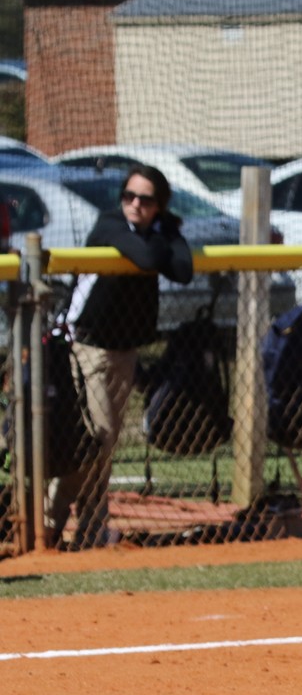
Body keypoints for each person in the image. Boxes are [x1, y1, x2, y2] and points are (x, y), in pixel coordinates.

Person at [46, 163, 192, 549]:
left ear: (158, 205)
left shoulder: (158, 228)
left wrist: (160, 236)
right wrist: (160, 238)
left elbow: (184, 269)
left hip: (124, 351)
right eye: (130, 196)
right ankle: (54, 522)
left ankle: (86, 529)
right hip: (85, 348)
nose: (135, 205)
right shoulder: (109, 224)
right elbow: (145, 258)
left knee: (101, 445)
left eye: (146, 200)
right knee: (96, 439)